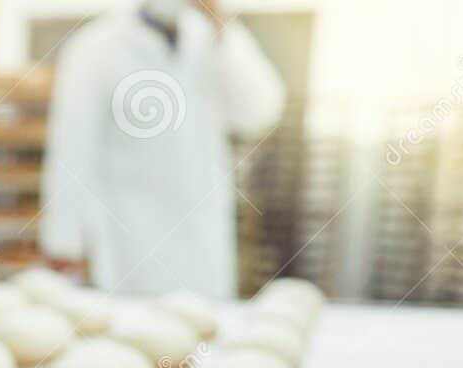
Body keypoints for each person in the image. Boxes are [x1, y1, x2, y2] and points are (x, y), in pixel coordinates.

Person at [38, 0, 286, 298]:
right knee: (137, 331)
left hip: (202, 231)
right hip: (131, 236)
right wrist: (63, 243)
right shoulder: (95, 48)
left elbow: (258, 112)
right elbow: (71, 151)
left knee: (203, 333)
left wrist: (221, 24)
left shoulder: (212, 39)